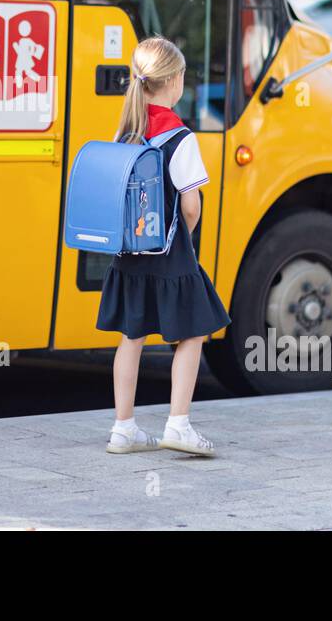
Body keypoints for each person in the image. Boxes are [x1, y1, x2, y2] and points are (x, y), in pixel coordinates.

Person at [97, 36, 231, 456]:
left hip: (129, 253)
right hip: (172, 253)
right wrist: (185, 240)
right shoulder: (180, 137)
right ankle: (178, 424)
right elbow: (191, 206)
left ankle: (123, 428)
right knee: (193, 333)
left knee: (131, 337)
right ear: (173, 81)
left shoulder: (126, 131)